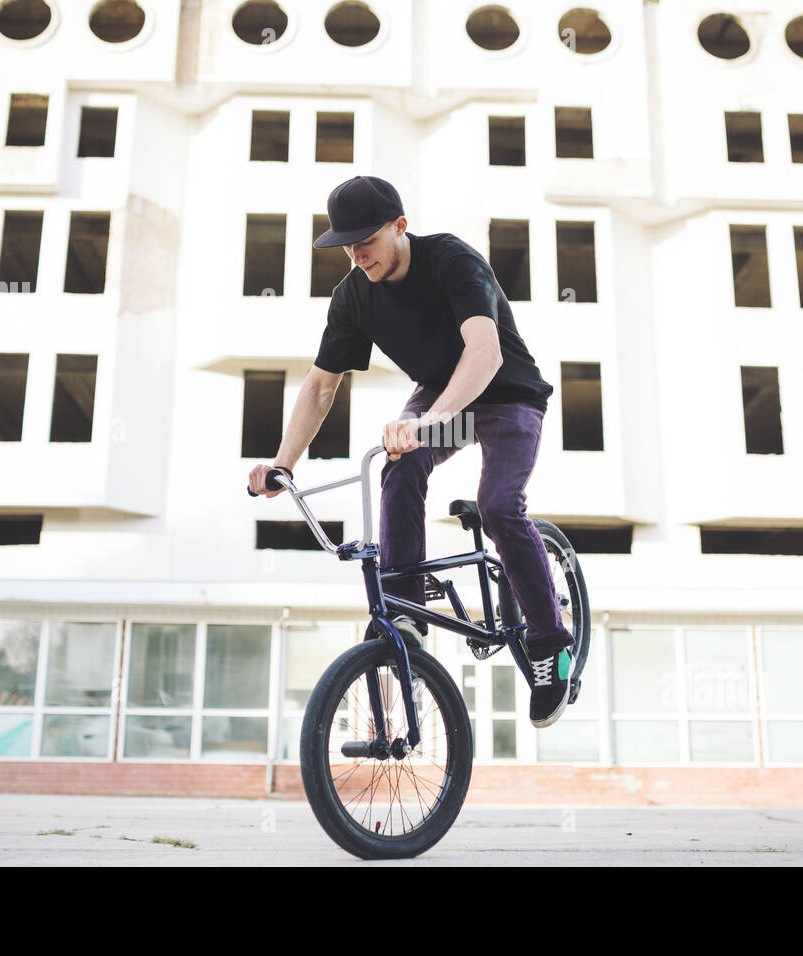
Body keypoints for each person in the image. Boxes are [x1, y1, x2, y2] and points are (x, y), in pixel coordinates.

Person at [246, 175, 574, 728]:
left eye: (366, 241)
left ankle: (550, 645)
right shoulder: (353, 294)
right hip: (445, 406)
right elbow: (321, 386)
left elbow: (485, 352)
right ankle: (404, 607)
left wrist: (430, 420)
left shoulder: (451, 260)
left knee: (498, 506)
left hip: (507, 398)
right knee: (397, 461)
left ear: (400, 227)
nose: (357, 254)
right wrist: (283, 464)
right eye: (346, 245)